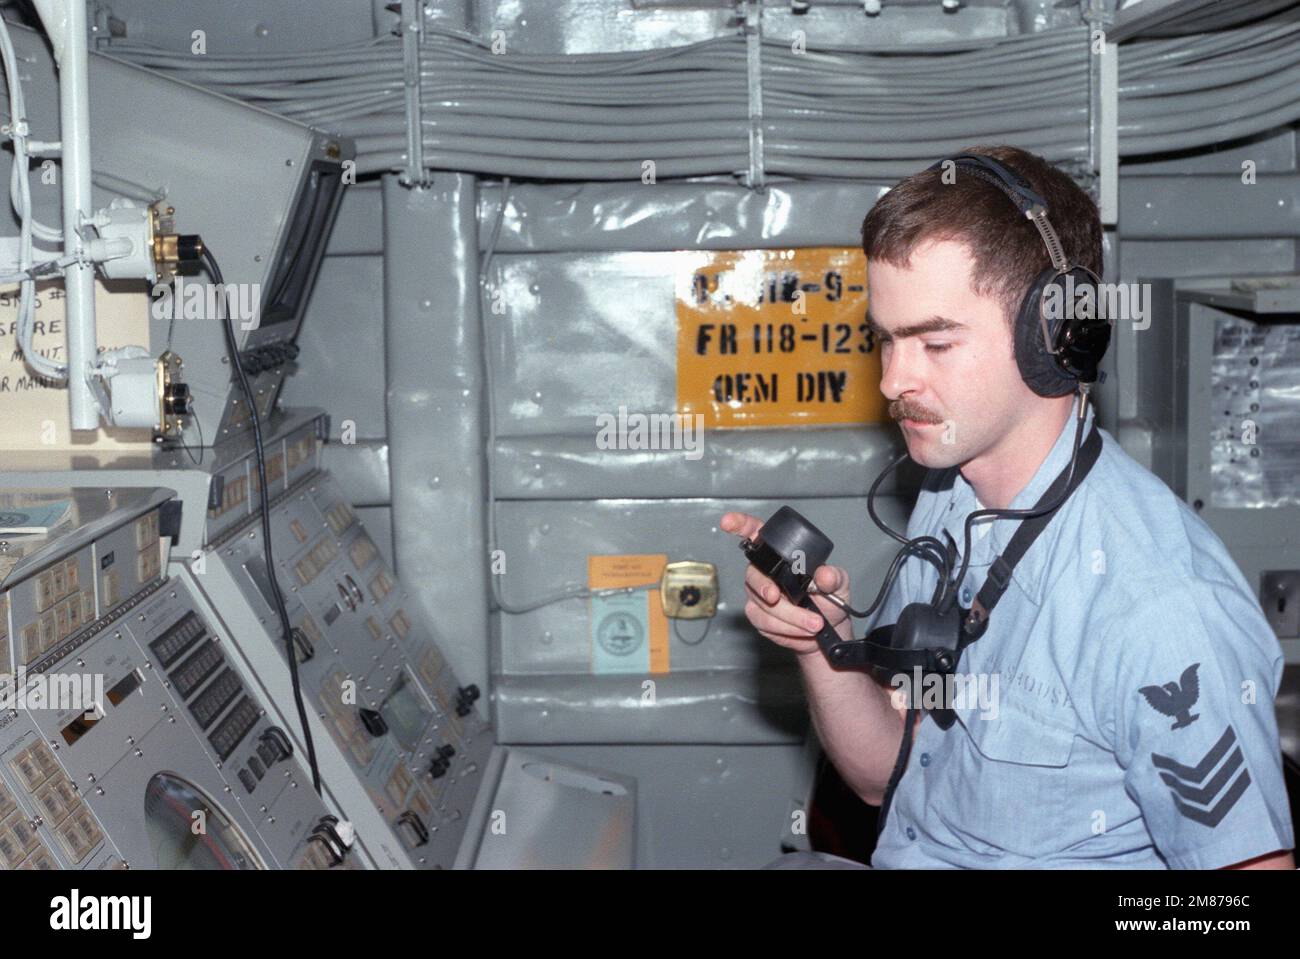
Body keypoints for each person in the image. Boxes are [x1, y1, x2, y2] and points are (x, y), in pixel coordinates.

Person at [724, 145, 1295, 870]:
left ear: (1054, 334)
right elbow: (881, 773)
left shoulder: (1157, 606)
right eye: (885, 341)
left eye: (935, 341)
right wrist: (819, 643)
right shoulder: (948, 497)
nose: (895, 380)